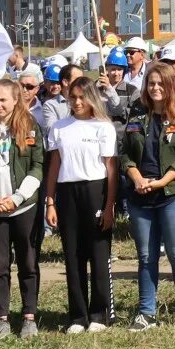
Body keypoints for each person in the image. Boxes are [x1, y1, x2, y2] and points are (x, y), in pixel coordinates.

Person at [120, 63, 175, 331]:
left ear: (170, 86)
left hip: (173, 194)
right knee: (145, 257)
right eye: (151, 83)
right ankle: (146, 312)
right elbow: (125, 154)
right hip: (140, 194)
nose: (155, 88)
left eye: (160, 84)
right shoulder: (137, 113)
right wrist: (137, 178)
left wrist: (161, 182)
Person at [0, 79, 46, 340]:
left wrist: (17, 198)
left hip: (24, 208)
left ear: (16, 100)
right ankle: (1, 318)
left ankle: (29, 317)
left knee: (28, 263)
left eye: (3, 99)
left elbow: (37, 167)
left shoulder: (31, 128)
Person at [45, 78, 118, 334]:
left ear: (91, 98)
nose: (77, 102)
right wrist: (50, 201)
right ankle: (77, 315)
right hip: (67, 192)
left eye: (81, 97)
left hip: (96, 191)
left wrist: (109, 206)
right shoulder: (59, 127)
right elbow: (54, 165)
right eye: (72, 97)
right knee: (73, 256)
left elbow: (111, 169)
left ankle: (100, 313)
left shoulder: (104, 127)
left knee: (98, 254)